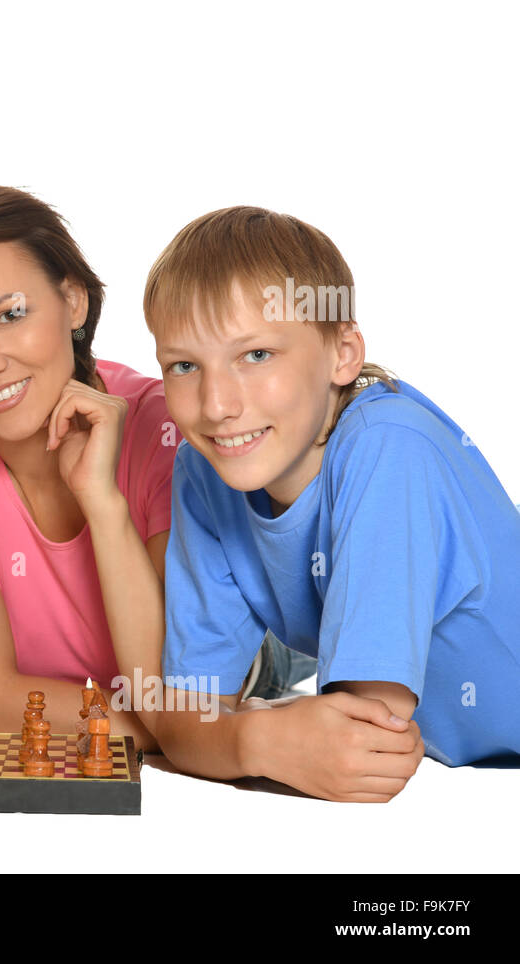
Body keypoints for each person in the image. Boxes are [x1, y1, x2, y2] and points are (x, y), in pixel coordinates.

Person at [0, 185, 311, 742]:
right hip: (21, 763)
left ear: (74, 301)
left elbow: (186, 689)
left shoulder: (165, 424)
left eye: (9, 315)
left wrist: (103, 504)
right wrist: (183, 730)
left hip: (239, 684)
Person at [144, 205, 520, 801]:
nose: (215, 404)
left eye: (256, 355)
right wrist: (257, 740)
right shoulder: (204, 471)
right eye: (184, 365)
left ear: (343, 353)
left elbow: (365, 740)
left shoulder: (387, 445)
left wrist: (246, 731)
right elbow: (182, 721)